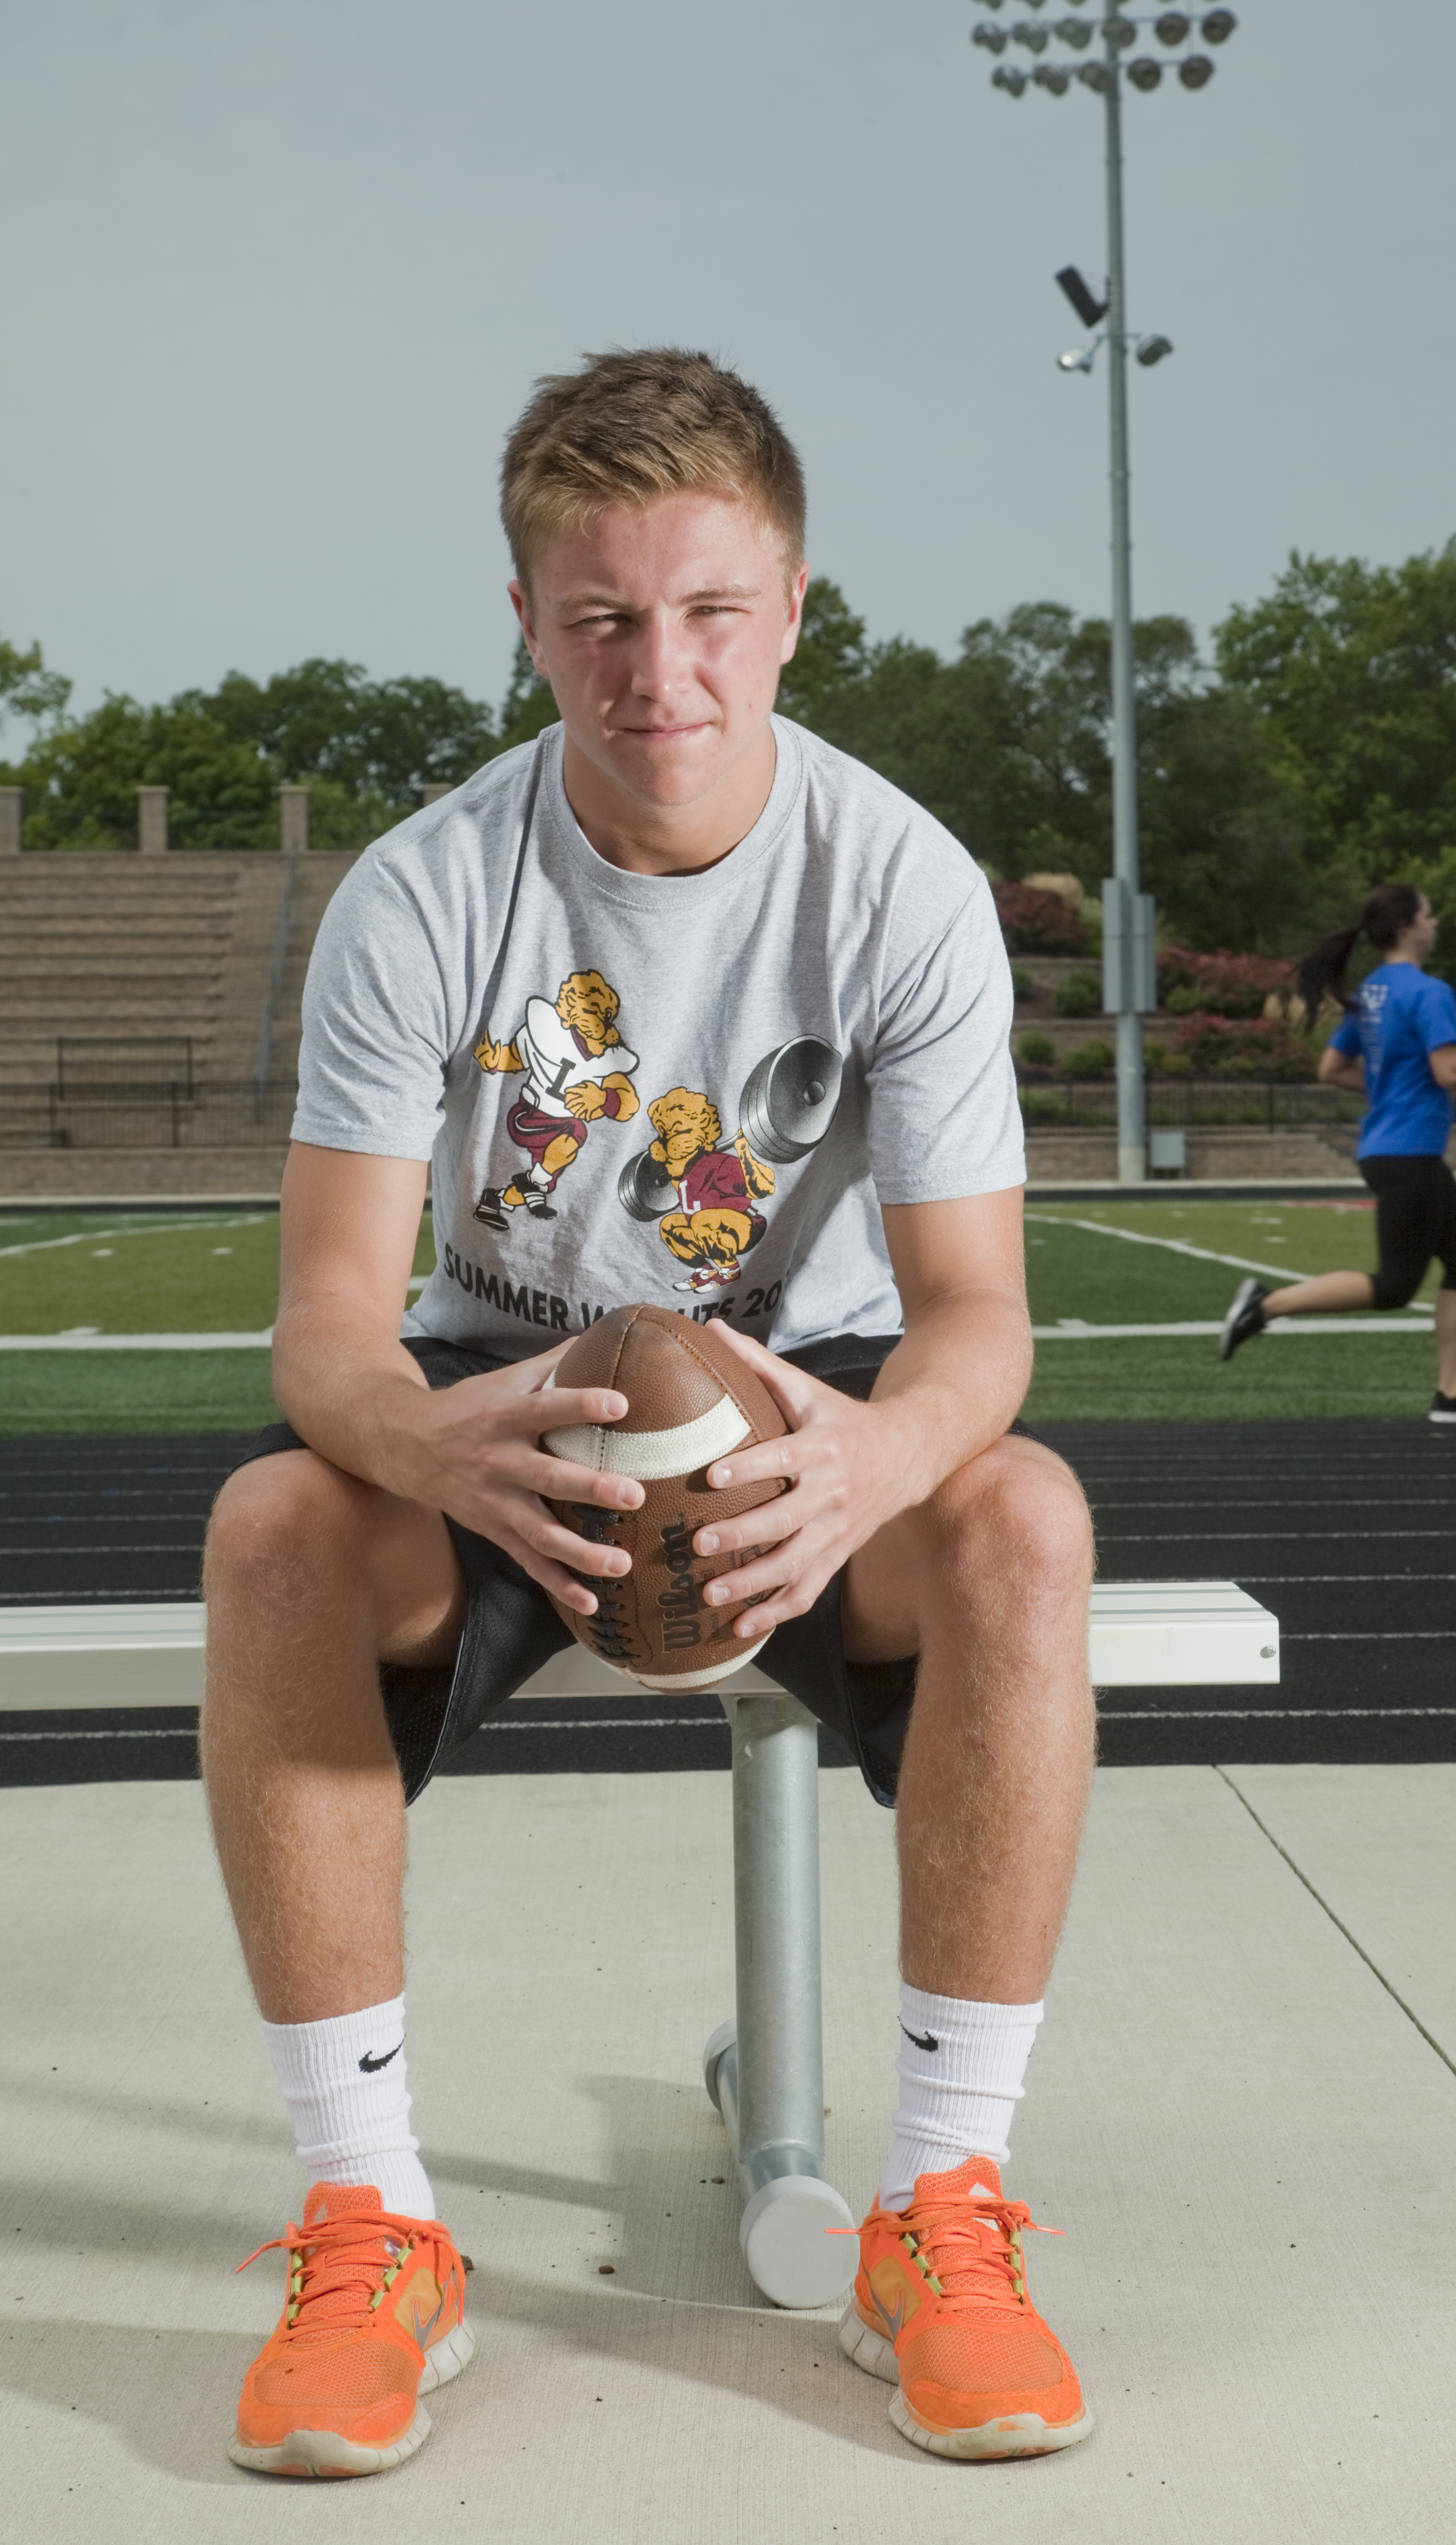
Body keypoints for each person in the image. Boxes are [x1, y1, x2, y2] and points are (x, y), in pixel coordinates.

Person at [200, 348, 1098, 2477]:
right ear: (526, 624)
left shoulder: (892, 881)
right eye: (599, 617)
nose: (656, 669)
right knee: (271, 1526)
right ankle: (367, 2216)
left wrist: (872, 1455)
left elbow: (977, 1316)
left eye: (706, 611)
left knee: (1022, 1513)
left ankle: (940, 2209)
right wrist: (422, 1442)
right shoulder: (424, 890)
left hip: (817, 1399)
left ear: (791, 608)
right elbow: (325, 1323)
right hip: (497, 1387)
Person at [1218, 881, 1456, 1423]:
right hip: (1411, 1153)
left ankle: (1454, 1393)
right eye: (1429, 914)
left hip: (1391, 1148)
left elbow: (1331, 1069)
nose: (1436, 922)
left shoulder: (1373, 990)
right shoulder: (1429, 992)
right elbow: (1450, 1070)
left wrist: (1391, 1090)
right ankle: (1264, 1306)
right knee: (1395, 1286)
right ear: (1407, 927)